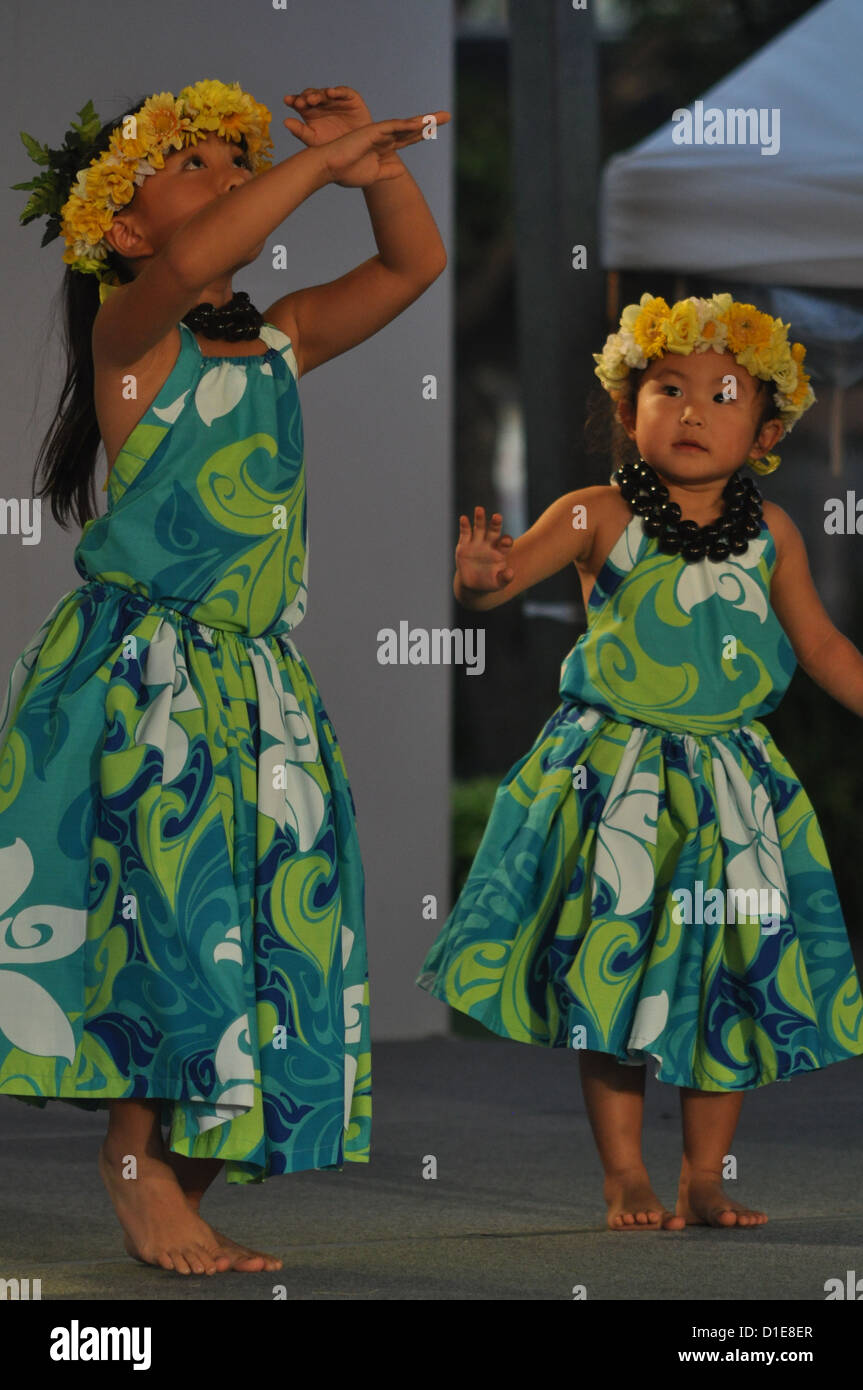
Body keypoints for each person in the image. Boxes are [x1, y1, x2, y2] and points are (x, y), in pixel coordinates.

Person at [2, 79, 448, 1275]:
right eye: (189, 163)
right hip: (144, 677)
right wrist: (321, 160)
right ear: (128, 230)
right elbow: (220, 239)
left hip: (257, 686)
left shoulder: (277, 338)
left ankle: (180, 1171)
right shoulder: (128, 333)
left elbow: (412, 267)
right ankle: (135, 1163)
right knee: (170, 907)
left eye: (227, 157)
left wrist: (378, 171)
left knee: (258, 924)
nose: (223, 173)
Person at [416, 292, 863, 1232]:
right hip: (615, 782)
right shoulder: (596, 514)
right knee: (612, 970)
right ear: (628, 411)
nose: (693, 410)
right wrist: (477, 574)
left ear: (767, 426)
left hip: (732, 789)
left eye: (724, 392)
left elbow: (821, 647)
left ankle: (704, 1175)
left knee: (724, 978)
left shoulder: (771, 532)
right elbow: (498, 588)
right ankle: (624, 1174)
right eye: (669, 388)